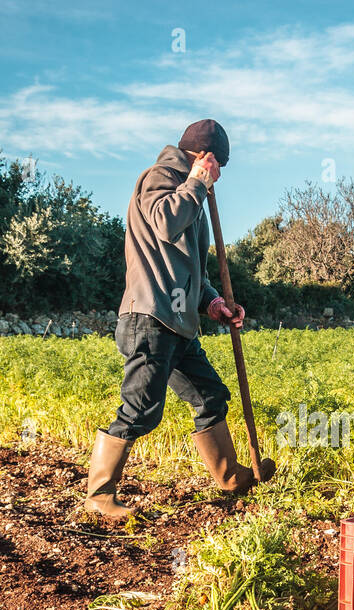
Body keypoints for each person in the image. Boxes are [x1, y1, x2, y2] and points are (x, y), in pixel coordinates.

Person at [84, 119, 274, 518]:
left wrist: (213, 303)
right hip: (149, 319)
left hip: (179, 324)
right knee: (141, 410)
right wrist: (198, 183)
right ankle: (100, 496)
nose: (216, 178)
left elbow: (190, 271)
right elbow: (165, 221)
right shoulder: (161, 178)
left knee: (210, 396)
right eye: (216, 167)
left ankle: (231, 478)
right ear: (205, 159)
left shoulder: (192, 192)